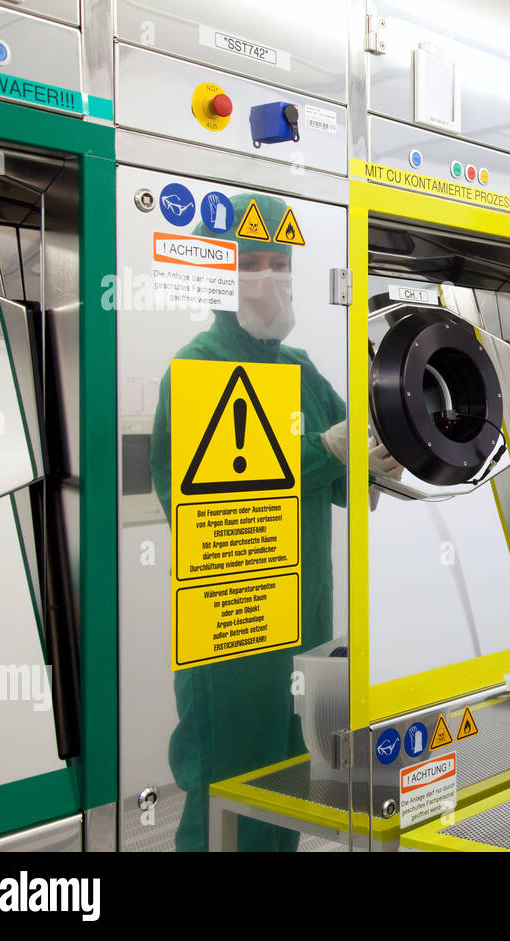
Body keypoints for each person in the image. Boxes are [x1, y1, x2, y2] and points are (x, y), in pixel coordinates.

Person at [150, 193, 352, 851]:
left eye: (280, 263)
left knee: (290, 775)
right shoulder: (197, 366)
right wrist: (321, 451)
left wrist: (379, 455)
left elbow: (349, 472)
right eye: (252, 263)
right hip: (233, 627)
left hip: (303, 620)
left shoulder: (301, 371)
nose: (270, 278)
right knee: (224, 781)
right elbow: (215, 492)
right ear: (220, 274)